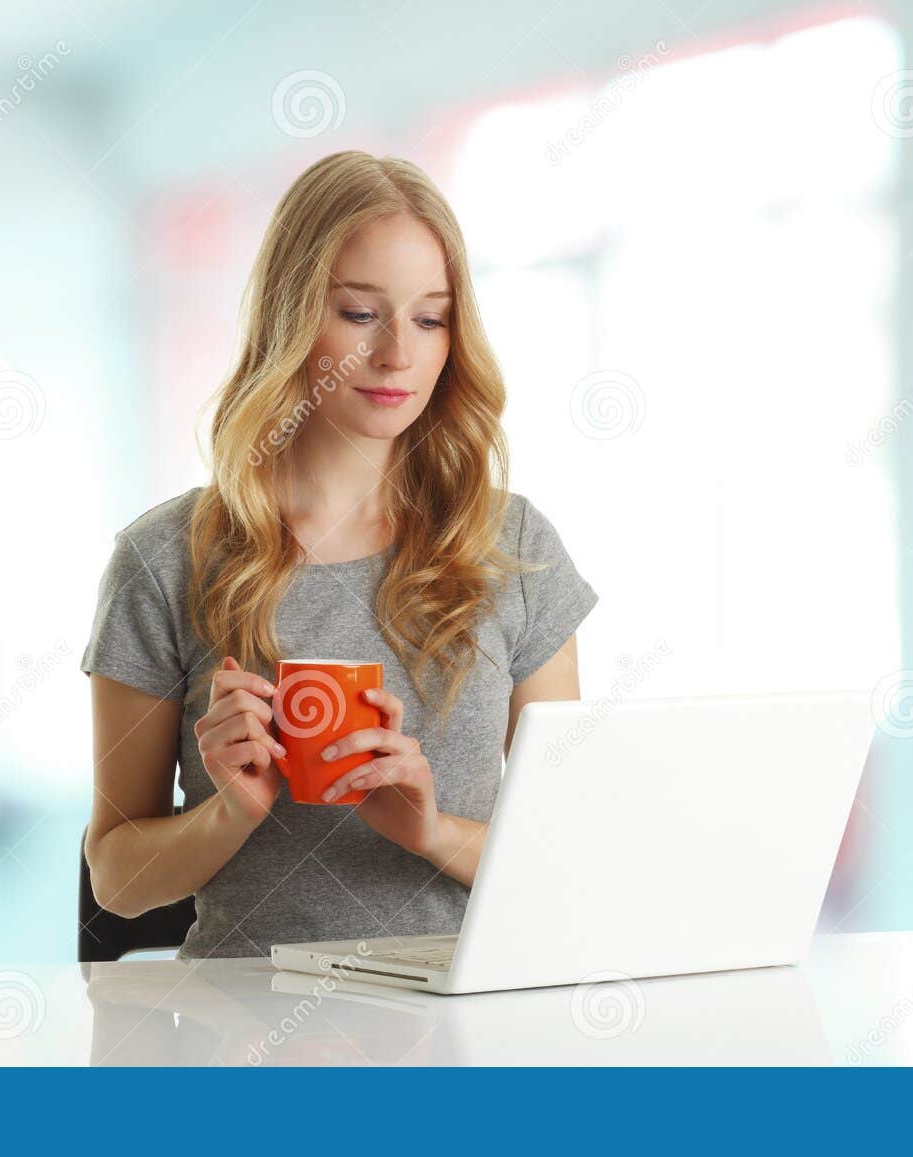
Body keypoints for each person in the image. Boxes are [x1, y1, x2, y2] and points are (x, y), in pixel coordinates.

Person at [80, 150, 598, 960]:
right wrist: (228, 812)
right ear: (289, 319)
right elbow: (116, 877)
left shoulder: (514, 547)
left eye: (431, 318)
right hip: (245, 1043)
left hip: (465, 1035)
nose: (398, 353)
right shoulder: (164, 561)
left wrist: (431, 832)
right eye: (360, 314)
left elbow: (572, 859)